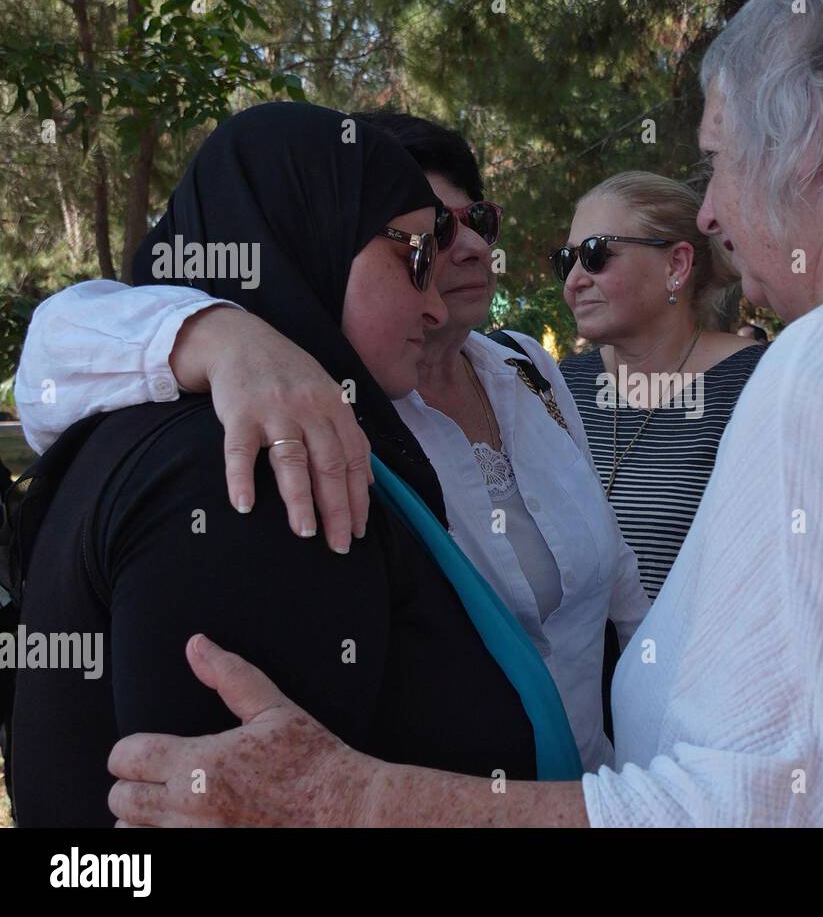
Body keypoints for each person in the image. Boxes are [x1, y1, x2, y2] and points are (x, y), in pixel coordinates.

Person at [108, 0, 823, 827]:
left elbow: (749, 809)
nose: (705, 213)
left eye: (718, 160)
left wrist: (345, 800)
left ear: (817, 143)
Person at [12, 111, 647, 772]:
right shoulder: (265, 457)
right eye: (418, 253)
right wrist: (220, 335)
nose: (438, 293)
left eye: (477, 224)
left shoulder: (518, 369)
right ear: (316, 226)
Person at [557, 172, 764, 601]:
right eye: (566, 260)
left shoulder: (759, 383)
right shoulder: (556, 386)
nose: (573, 280)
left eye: (595, 255)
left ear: (676, 265)